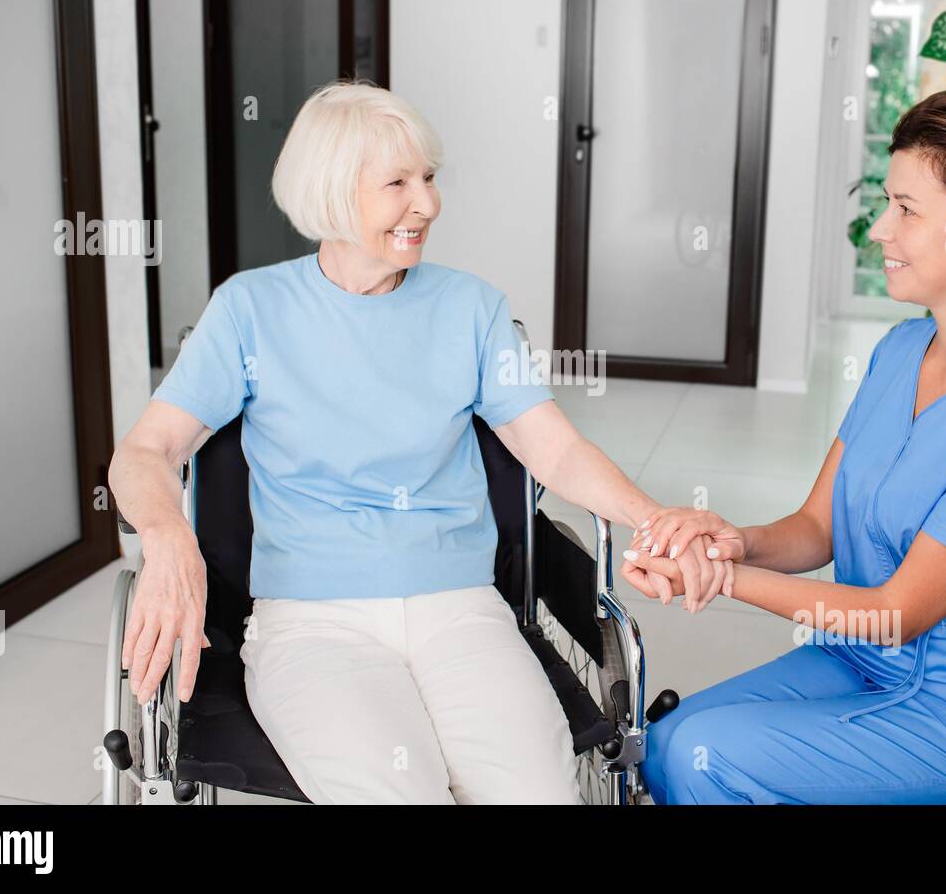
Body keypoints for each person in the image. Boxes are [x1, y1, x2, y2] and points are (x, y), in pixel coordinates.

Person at [107, 80, 730, 804]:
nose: (428, 204)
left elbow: (555, 451)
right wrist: (167, 536)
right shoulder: (250, 310)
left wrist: (656, 521)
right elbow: (144, 452)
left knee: (541, 793)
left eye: (429, 178)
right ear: (334, 192)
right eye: (398, 183)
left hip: (461, 606)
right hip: (313, 623)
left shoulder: (470, 307)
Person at [622, 89, 946, 805]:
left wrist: (718, 579)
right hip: (863, 663)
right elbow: (817, 527)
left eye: (907, 210)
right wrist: (730, 540)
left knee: (707, 759)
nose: (880, 231)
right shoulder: (901, 349)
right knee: (668, 743)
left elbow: (898, 612)